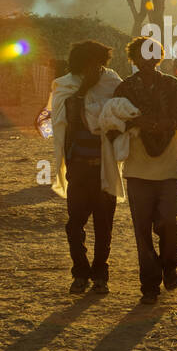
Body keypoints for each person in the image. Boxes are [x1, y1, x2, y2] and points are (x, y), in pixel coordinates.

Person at [113, 36, 177, 304]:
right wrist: (138, 124)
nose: (146, 60)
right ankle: (149, 286)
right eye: (141, 56)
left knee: (168, 222)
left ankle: (169, 265)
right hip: (136, 169)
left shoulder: (172, 85)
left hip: (168, 169)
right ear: (133, 59)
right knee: (142, 230)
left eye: (151, 54)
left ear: (159, 57)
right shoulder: (124, 89)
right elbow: (113, 125)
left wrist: (162, 123)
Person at [48, 41, 122, 294]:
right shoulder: (66, 85)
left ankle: (100, 274)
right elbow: (66, 119)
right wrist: (85, 89)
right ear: (80, 63)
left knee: (104, 225)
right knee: (75, 223)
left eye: (100, 63)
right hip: (78, 167)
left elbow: (120, 114)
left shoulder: (112, 81)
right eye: (91, 63)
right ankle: (80, 272)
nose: (97, 68)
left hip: (106, 166)